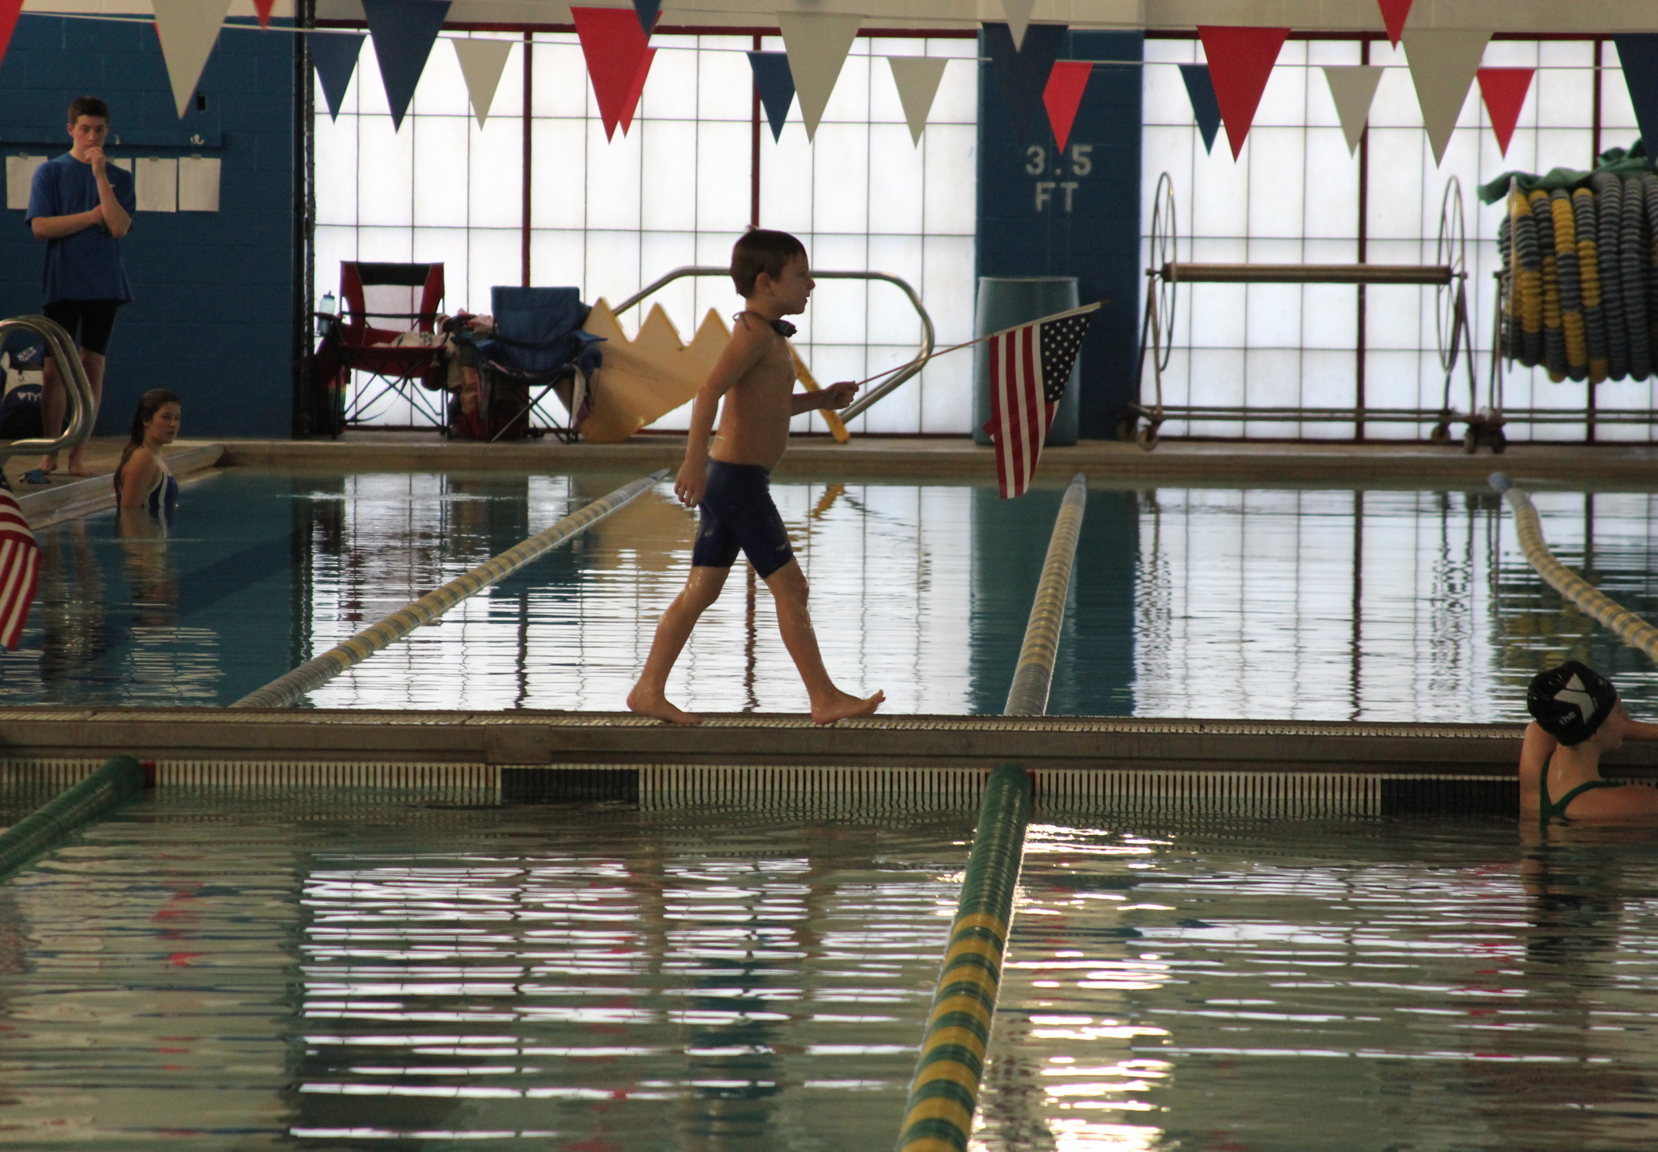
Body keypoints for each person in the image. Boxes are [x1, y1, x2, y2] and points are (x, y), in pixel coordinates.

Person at [627, 229, 884, 726]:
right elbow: (709, 393)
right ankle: (824, 698)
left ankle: (648, 689)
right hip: (737, 483)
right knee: (792, 589)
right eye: (802, 275)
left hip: (736, 479)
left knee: (701, 590)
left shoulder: (765, 336)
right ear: (766, 282)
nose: (811, 285)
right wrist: (691, 462)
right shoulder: (752, 334)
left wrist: (821, 399)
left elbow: (770, 406)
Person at [24, 95, 135, 483]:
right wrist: (92, 217)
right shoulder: (50, 174)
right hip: (63, 281)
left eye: (99, 130)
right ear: (71, 129)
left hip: (105, 284)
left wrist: (100, 175)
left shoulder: (119, 177)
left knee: (92, 366)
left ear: (108, 132)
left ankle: (77, 454)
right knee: (54, 370)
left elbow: (119, 226)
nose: (91, 136)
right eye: (85, 129)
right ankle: (49, 452)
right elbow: (41, 227)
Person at [1520, 660, 1658, 824]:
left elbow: (1567, 718)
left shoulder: (1535, 769)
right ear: (1594, 731)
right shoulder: (1630, 802)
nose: (1626, 718)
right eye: (1619, 711)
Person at [113, 389, 180, 514]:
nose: (173, 424)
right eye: (166, 417)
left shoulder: (158, 457)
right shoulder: (143, 458)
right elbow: (129, 513)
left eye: (177, 418)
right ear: (146, 420)